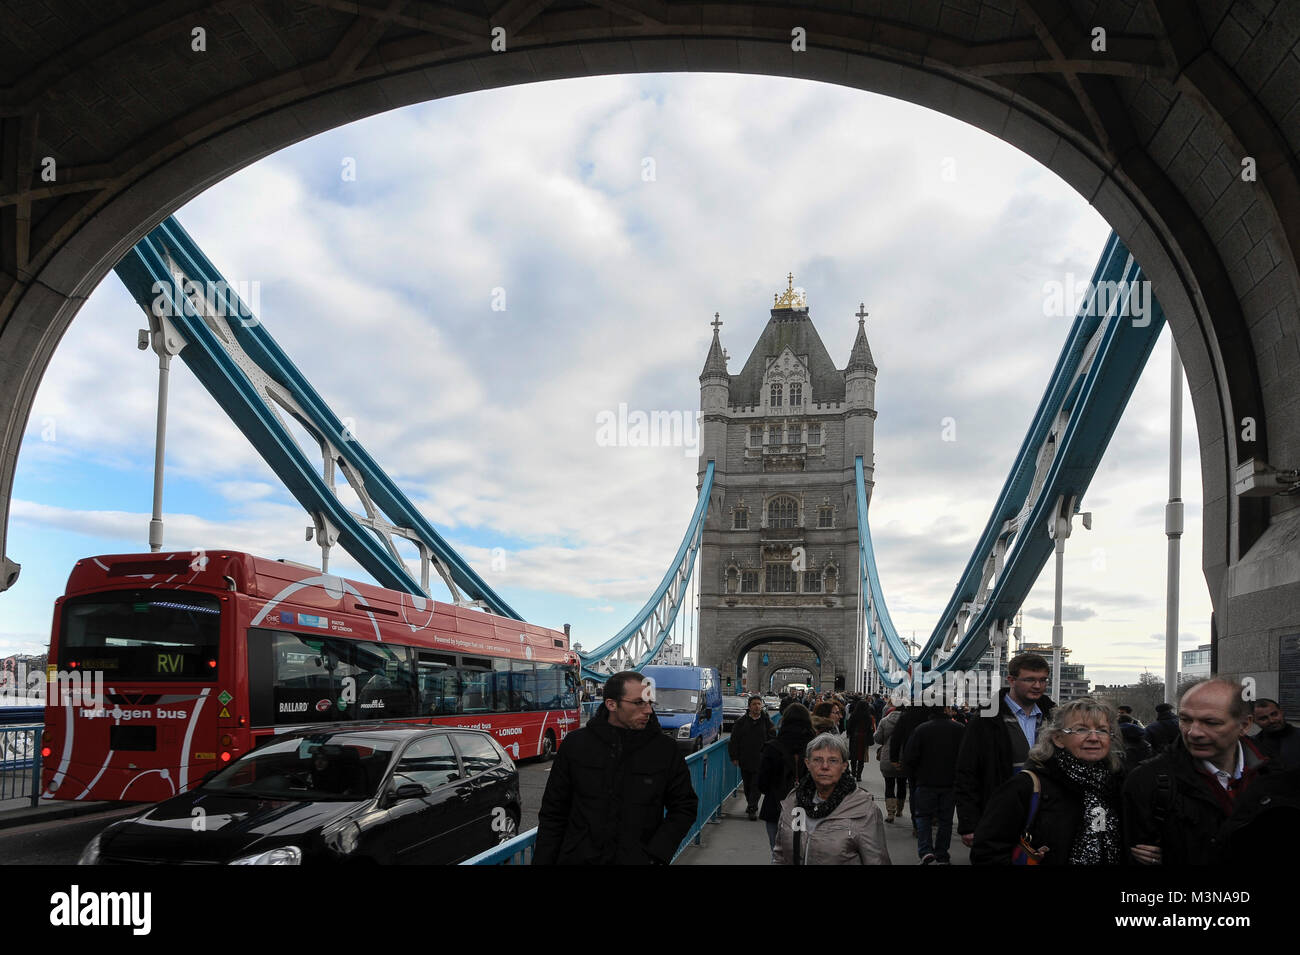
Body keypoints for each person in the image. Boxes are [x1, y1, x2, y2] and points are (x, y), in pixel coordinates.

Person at [533, 670, 698, 865]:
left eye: (650, 703)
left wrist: (656, 854)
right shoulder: (575, 745)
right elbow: (554, 812)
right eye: (639, 703)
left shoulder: (665, 750)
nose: (648, 710)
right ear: (611, 704)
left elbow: (685, 806)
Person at [1123, 678, 1272, 865]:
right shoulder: (1147, 780)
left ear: (1244, 725)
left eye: (1210, 722)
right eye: (1185, 720)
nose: (1193, 732)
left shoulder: (1275, 772)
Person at [971, 697, 1125, 865]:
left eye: (1102, 730)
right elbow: (987, 852)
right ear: (1058, 739)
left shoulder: (1116, 785)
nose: (1094, 738)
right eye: (1081, 730)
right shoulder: (1026, 786)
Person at [955, 653, 1055, 847]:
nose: (1038, 686)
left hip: (1044, 817)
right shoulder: (985, 719)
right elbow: (967, 772)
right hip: (998, 815)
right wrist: (969, 823)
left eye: (1043, 680)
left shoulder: (1055, 718)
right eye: (1030, 679)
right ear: (1011, 680)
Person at [772, 732, 892, 865]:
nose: (824, 766)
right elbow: (780, 856)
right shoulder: (793, 802)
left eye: (833, 760)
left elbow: (877, 860)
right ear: (807, 763)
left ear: (844, 766)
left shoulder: (864, 810)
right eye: (817, 760)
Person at [902, 706, 966, 864]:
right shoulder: (960, 729)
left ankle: (925, 851)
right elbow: (967, 756)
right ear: (946, 709)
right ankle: (942, 854)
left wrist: (914, 778)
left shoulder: (921, 729)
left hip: (925, 782)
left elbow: (909, 757)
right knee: (946, 821)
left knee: (923, 818)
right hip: (950, 783)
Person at [757, 702, 815, 850]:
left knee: (777, 852)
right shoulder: (815, 748)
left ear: (784, 720)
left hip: (776, 807)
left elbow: (762, 784)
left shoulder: (771, 748)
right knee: (804, 852)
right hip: (807, 809)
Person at [729, 694, 776, 819]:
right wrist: (734, 757)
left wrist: (769, 755)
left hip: (761, 759)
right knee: (748, 785)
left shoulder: (767, 722)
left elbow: (772, 739)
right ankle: (751, 802)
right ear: (749, 707)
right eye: (754, 704)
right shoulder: (741, 722)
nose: (757, 706)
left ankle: (752, 808)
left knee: (756, 785)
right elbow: (734, 740)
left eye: (759, 704)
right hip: (745, 758)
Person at [874, 702, 908, 823]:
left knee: (889, 784)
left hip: (887, 756)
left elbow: (877, 738)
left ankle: (890, 813)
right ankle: (899, 809)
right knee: (902, 783)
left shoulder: (884, 721)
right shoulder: (907, 722)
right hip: (904, 757)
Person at [1251, 698, 1300, 769]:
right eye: (1263, 718)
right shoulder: (1253, 745)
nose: (1271, 720)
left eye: (1274, 714)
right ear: (1254, 721)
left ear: (1281, 712)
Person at [846, 694, 876, 781]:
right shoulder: (868, 717)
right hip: (864, 737)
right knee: (861, 757)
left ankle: (854, 773)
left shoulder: (854, 715)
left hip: (854, 737)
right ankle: (859, 775)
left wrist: (849, 734)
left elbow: (849, 726)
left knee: (853, 756)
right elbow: (870, 729)